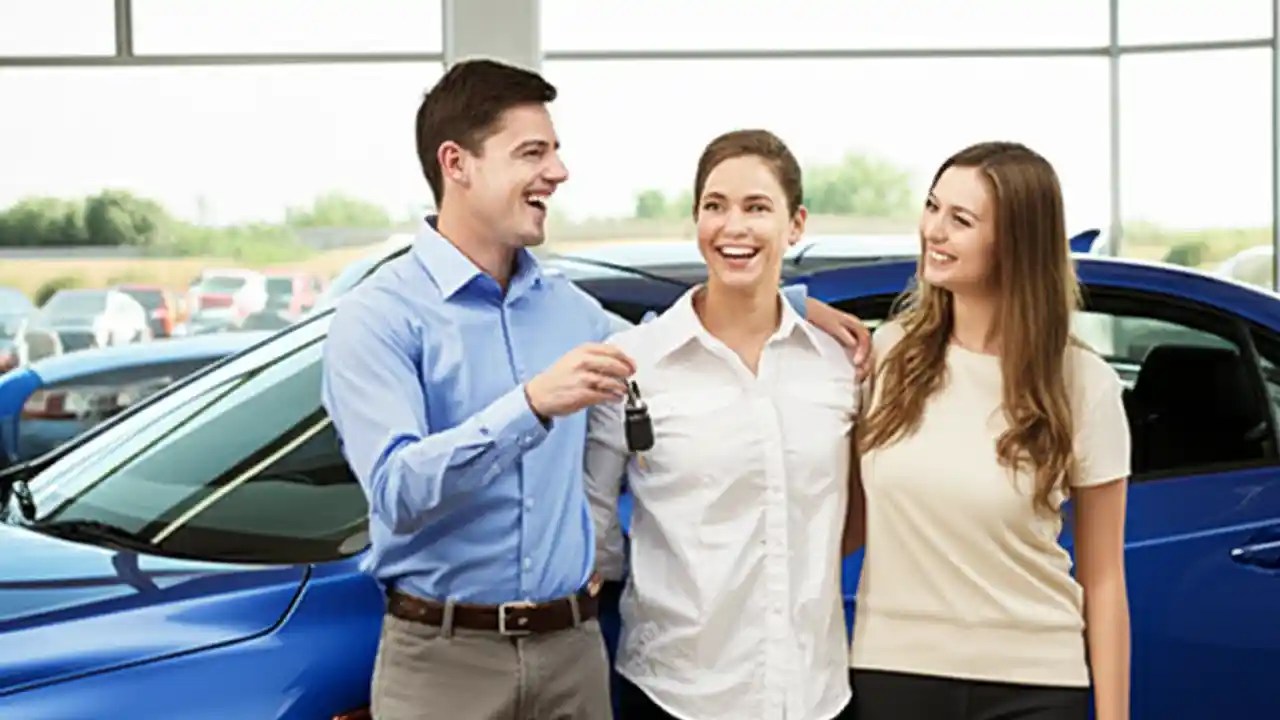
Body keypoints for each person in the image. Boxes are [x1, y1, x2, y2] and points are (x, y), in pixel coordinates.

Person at [321, 59, 873, 720]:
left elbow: (684, 338)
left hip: (573, 655)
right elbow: (394, 493)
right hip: (445, 658)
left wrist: (794, 302)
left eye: (555, 152)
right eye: (534, 152)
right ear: (457, 163)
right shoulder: (377, 316)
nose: (558, 171)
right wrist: (530, 405)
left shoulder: (572, 313)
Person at [848, 141, 1132, 720]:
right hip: (894, 675)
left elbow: (1104, 582)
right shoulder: (888, 356)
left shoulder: (1084, 384)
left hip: (1036, 686)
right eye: (932, 208)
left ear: (1015, 244)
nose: (934, 230)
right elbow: (846, 523)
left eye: (961, 220)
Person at [584, 129, 860, 720]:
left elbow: (857, 511)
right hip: (673, 697)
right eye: (715, 206)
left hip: (814, 696)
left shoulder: (839, 367)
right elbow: (596, 527)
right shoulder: (635, 363)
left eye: (757, 207)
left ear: (796, 225)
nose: (733, 227)